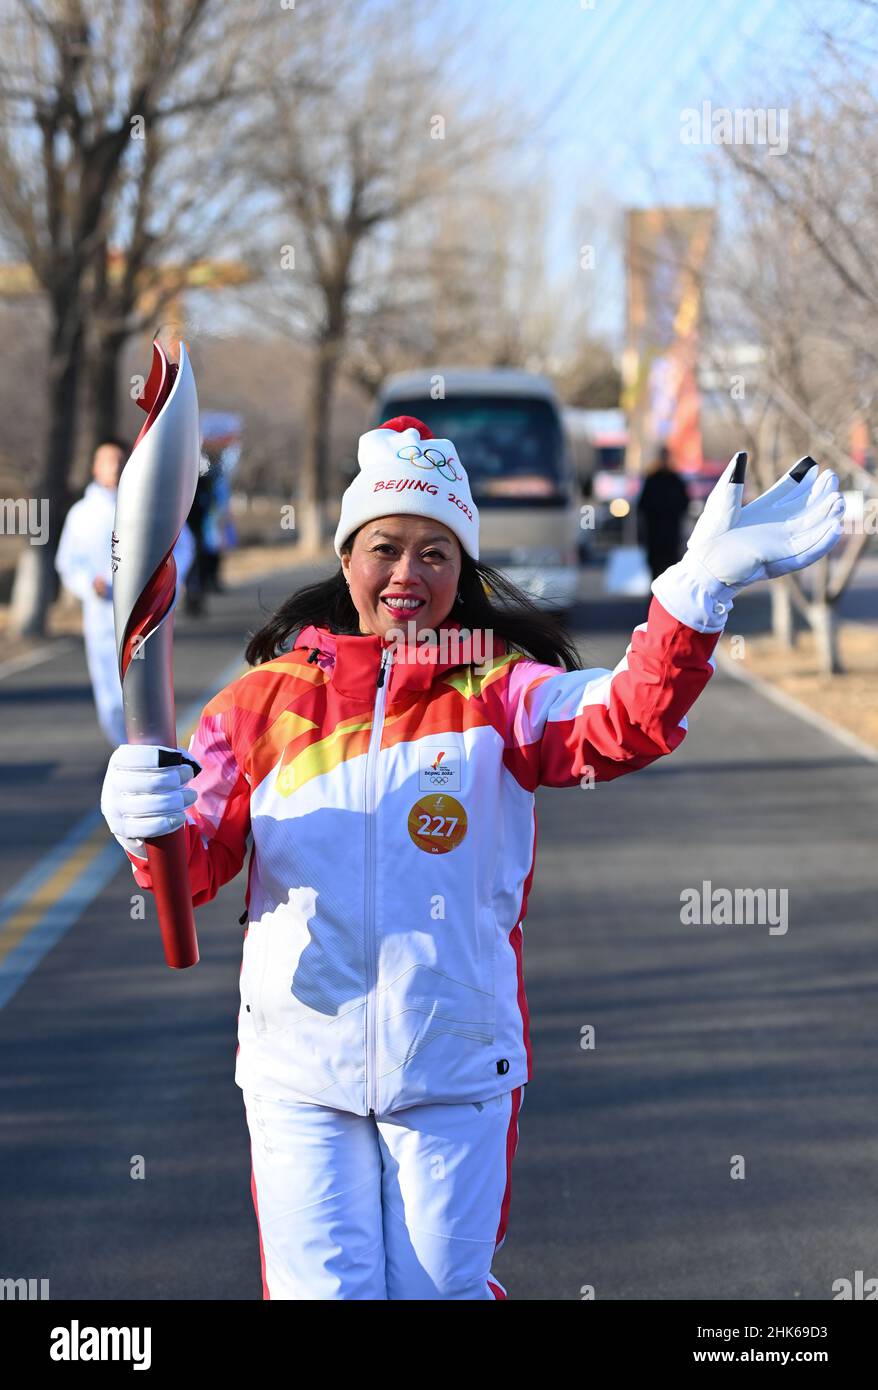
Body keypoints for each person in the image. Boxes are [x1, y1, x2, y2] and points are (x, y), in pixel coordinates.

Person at [99, 420, 844, 1300]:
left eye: (435, 553)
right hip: (299, 1069)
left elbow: (624, 720)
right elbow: (193, 869)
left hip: (452, 1064)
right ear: (347, 559)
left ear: (464, 571)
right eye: (385, 548)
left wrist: (695, 596)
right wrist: (146, 825)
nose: (407, 575)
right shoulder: (257, 706)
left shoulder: (500, 693)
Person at [55, 439, 195, 747]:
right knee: (109, 693)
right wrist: (88, 584)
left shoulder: (145, 502)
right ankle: (124, 749)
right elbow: (67, 562)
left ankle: (148, 748)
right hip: (101, 615)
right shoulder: (81, 513)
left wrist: (170, 578)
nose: (114, 467)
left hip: (142, 613)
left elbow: (183, 544)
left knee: (144, 688)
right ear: (95, 467)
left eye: (120, 460)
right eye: (106, 460)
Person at [636, 443, 692, 582]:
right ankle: (655, 601)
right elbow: (643, 506)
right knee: (655, 572)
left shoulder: (675, 480)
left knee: (671, 571)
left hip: (671, 533)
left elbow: (684, 504)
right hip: (654, 533)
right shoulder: (652, 480)